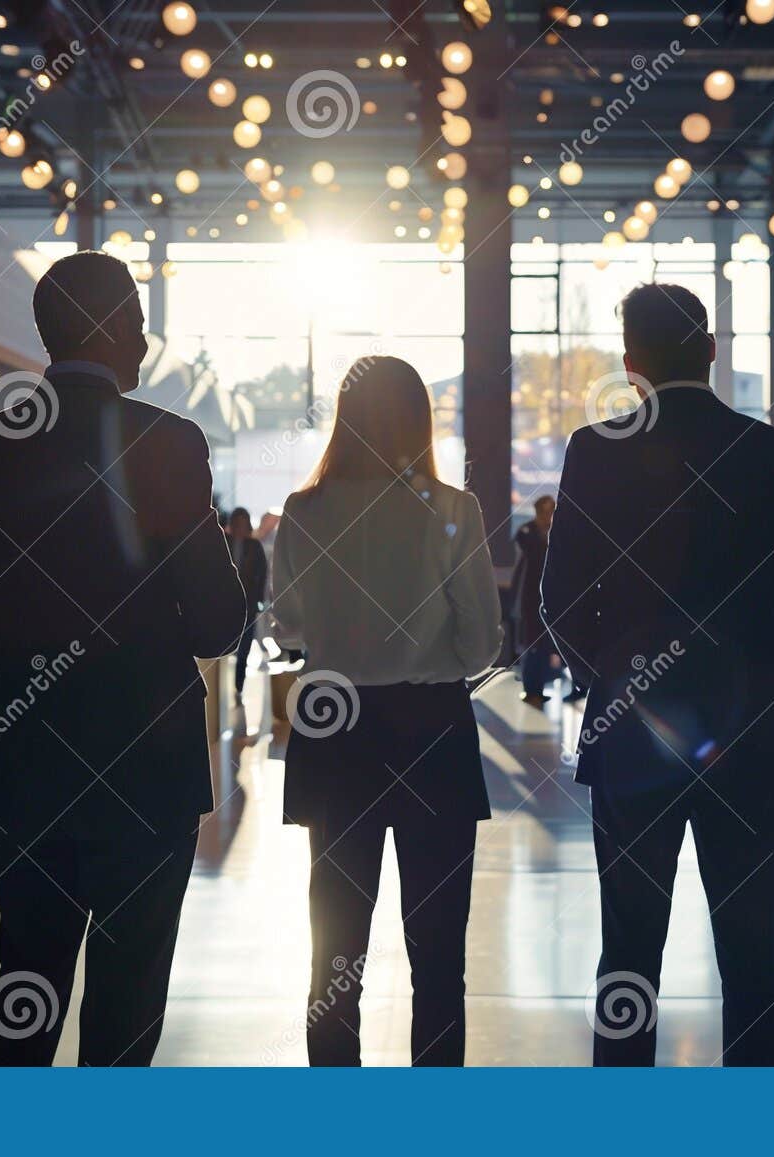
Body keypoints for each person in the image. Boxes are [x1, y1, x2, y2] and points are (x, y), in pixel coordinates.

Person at [0, 251, 247, 1066]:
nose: (148, 338)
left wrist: (14, 656)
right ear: (120, 328)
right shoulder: (167, 441)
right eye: (140, 321)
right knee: (127, 1005)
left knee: (26, 981)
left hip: (27, 764)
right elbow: (217, 623)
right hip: (147, 766)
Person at [541, 283, 774, 1066]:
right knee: (750, 946)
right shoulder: (770, 452)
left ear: (630, 362)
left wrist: (623, 676)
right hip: (749, 736)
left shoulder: (595, 452)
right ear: (709, 350)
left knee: (629, 945)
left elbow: (560, 598)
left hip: (632, 735)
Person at [271, 355, 502, 1067]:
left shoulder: (304, 511)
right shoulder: (453, 509)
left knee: (335, 949)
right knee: (437, 954)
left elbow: (287, 629)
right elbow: (483, 642)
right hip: (432, 729)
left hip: (335, 732)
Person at [512, 495, 571, 705]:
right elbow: (532, 553)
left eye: (551, 511)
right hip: (529, 599)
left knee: (548, 645)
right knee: (531, 644)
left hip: (552, 598)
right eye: (545, 511)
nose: (548, 516)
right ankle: (531, 689)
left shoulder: (557, 534)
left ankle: (541, 686)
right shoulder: (527, 532)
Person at [226, 506, 268, 704]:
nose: (241, 528)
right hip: (227, 604)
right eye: (238, 524)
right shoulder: (224, 543)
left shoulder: (254, 547)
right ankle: (226, 690)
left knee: (244, 648)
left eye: (244, 524)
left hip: (248, 605)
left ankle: (238, 687)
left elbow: (262, 575)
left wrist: (259, 599)